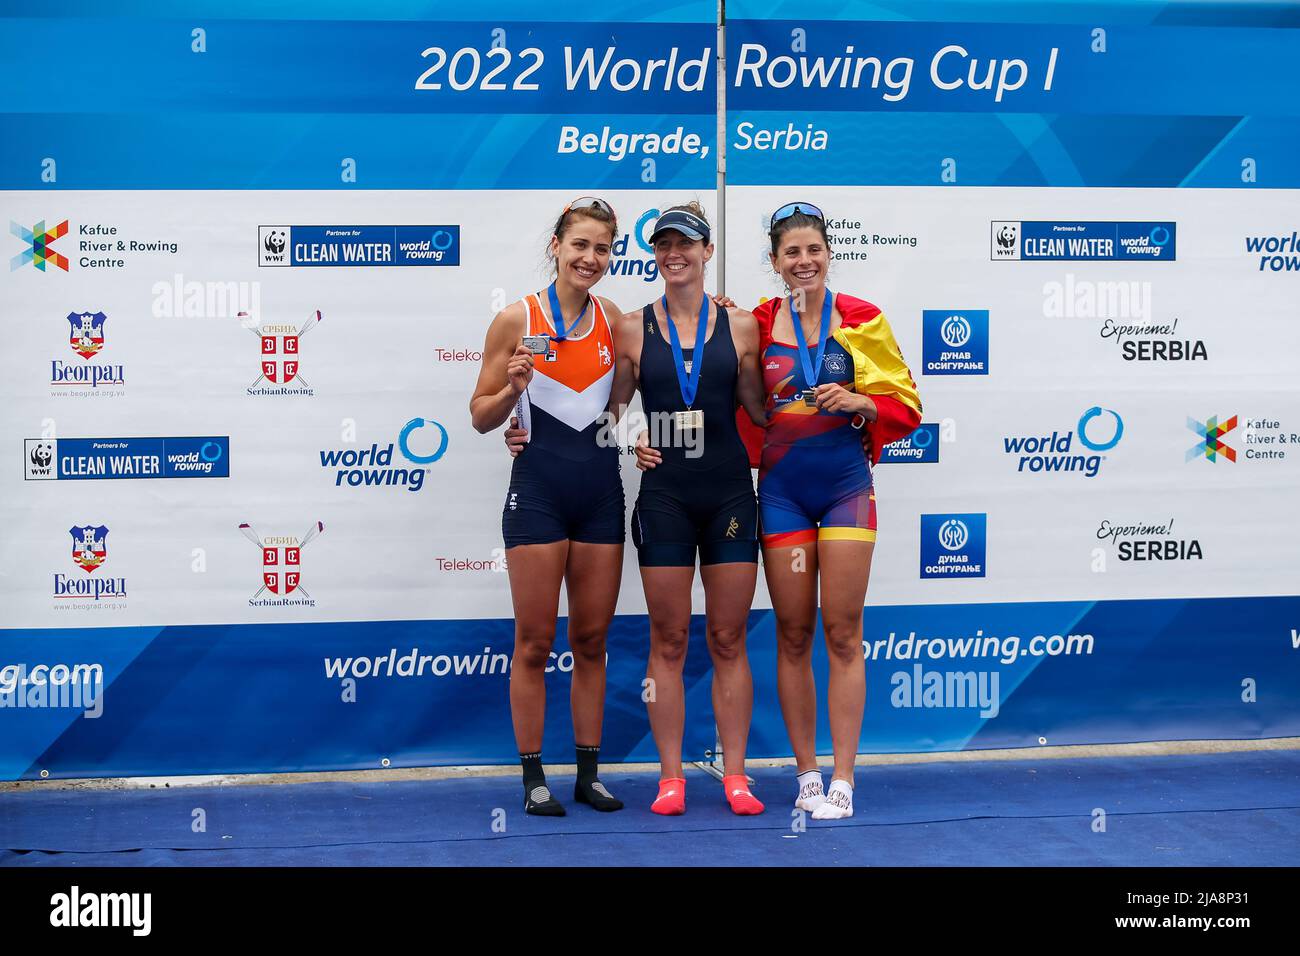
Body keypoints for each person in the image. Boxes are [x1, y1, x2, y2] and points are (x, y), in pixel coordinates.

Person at [507, 203, 770, 816]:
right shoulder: (629, 327)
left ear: (708, 252)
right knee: (669, 637)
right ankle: (671, 778)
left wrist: (855, 417)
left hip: (730, 490)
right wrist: (526, 430)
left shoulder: (744, 327)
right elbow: (607, 413)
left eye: (688, 243)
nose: (675, 253)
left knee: (729, 637)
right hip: (665, 495)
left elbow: (762, 411)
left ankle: (736, 777)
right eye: (664, 244)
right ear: (654, 253)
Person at [746, 201, 922, 818]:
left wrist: (859, 400)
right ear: (774, 262)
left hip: (846, 487)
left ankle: (844, 781)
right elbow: (706, 373)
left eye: (813, 250)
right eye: (791, 253)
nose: (803, 262)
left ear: (829, 255)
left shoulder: (862, 319)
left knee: (843, 634)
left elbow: (906, 405)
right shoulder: (757, 322)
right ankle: (807, 776)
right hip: (783, 493)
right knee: (793, 634)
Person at [469, 197, 627, 816]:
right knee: (534, 642)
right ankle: (534, 775)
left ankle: (589, 772)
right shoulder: (515, 319)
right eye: (580, 245)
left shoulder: (615, 318)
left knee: (592, 640)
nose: (590, 258)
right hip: (536, 494)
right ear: (556, 247)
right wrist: (511, 390)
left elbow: (676, 333)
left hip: (600, 495)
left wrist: (722, 307)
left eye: (603, 248)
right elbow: (480, 418)